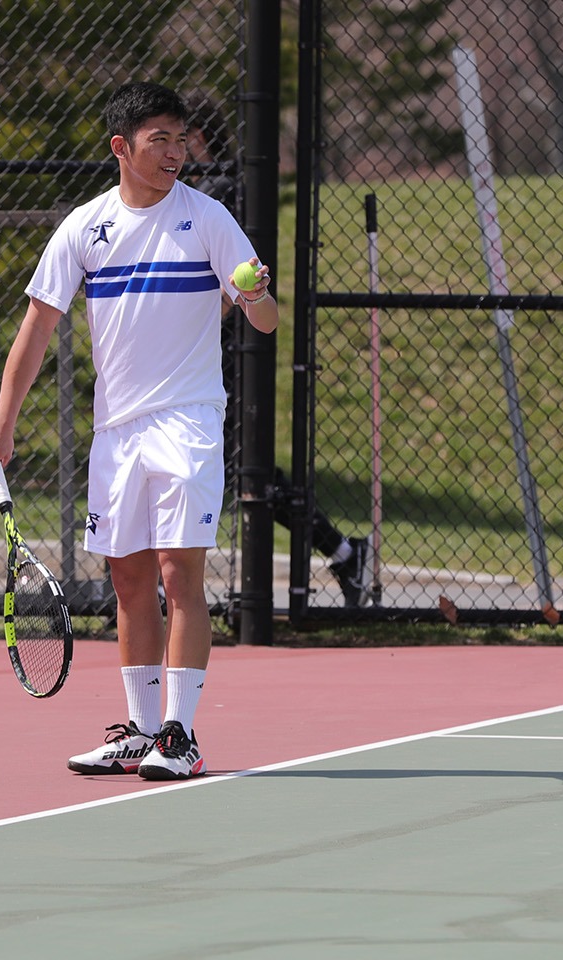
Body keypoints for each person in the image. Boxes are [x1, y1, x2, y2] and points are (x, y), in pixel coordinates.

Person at [0, 82, 277, 780]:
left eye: (181, 139)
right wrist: (1, 423)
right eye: (158, 140)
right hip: (116, 431)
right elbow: (36, 328)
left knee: (178, 573)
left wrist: (257, 293)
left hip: (187, 421)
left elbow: (265, 322)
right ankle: (141, 732)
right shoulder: (83, 228)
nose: (175, 152)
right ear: (122, 147)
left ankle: (181, 735)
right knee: (130, 580)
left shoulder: (207, 218)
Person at [183, 96, 373, 609]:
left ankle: (342, 551)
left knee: (241, 464)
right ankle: (344, 550)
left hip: (222, 352)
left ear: (198, 137)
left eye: (183, 138)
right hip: (203, 352)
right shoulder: (200, 191)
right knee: (246, 466)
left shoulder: (217, 192)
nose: (176, 150)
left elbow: (231, 278)